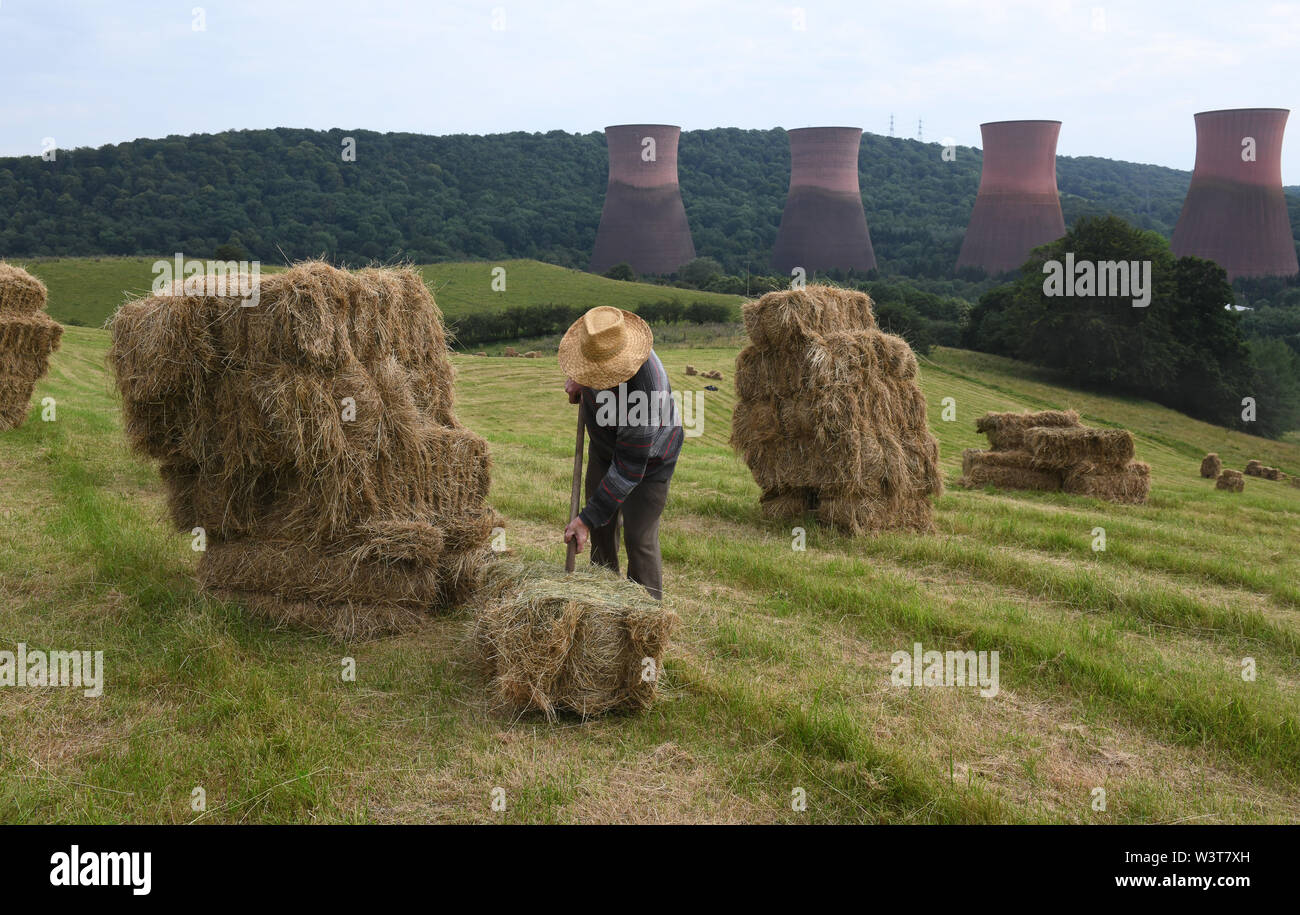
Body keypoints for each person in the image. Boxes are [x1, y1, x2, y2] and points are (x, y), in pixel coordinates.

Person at [558, 306, 682, 599]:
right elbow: (590, 364)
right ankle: (601, 605)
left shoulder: (646, 389)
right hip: (604, 449)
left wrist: (583, 520)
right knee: (600, 529)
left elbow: (629, 468)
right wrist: (580, 379)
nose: (595, 377)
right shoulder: (597, 345)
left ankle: (644, 618)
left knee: (639, 538)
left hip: (649, 462)